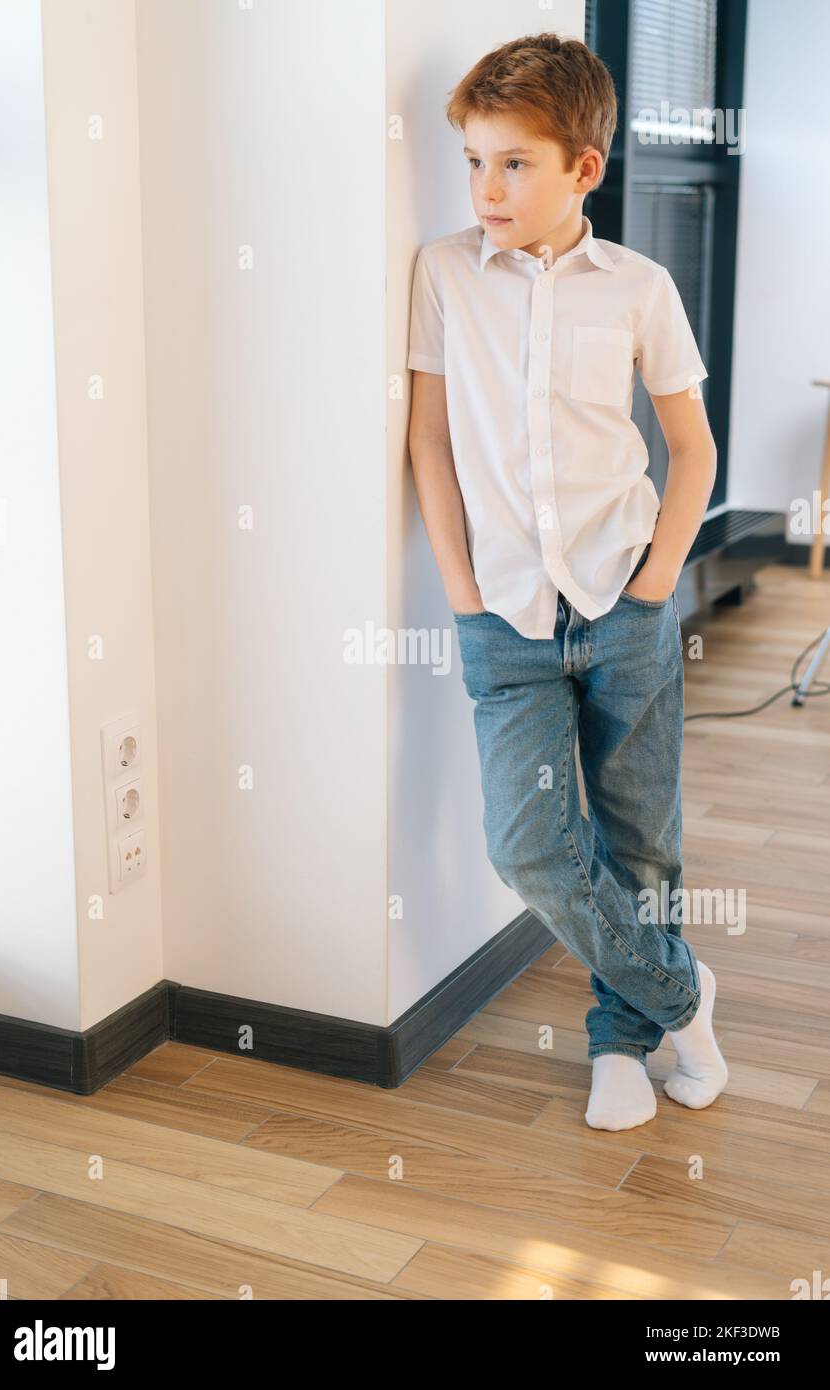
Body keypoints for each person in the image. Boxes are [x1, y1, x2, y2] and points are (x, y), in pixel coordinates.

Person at [406, 32, 728, 1131]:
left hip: (625, 605)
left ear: (581, 168)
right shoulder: (443, 273)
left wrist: (654, 584)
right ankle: (680, 995)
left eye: (513, 164)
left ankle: (619, 1042)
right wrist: (458, 591)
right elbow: (428, 446)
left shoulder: (637, 289)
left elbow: (692, 451)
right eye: (472, 162)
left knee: (636, 837)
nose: (486, 189)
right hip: (502, 615)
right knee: (528, 845)